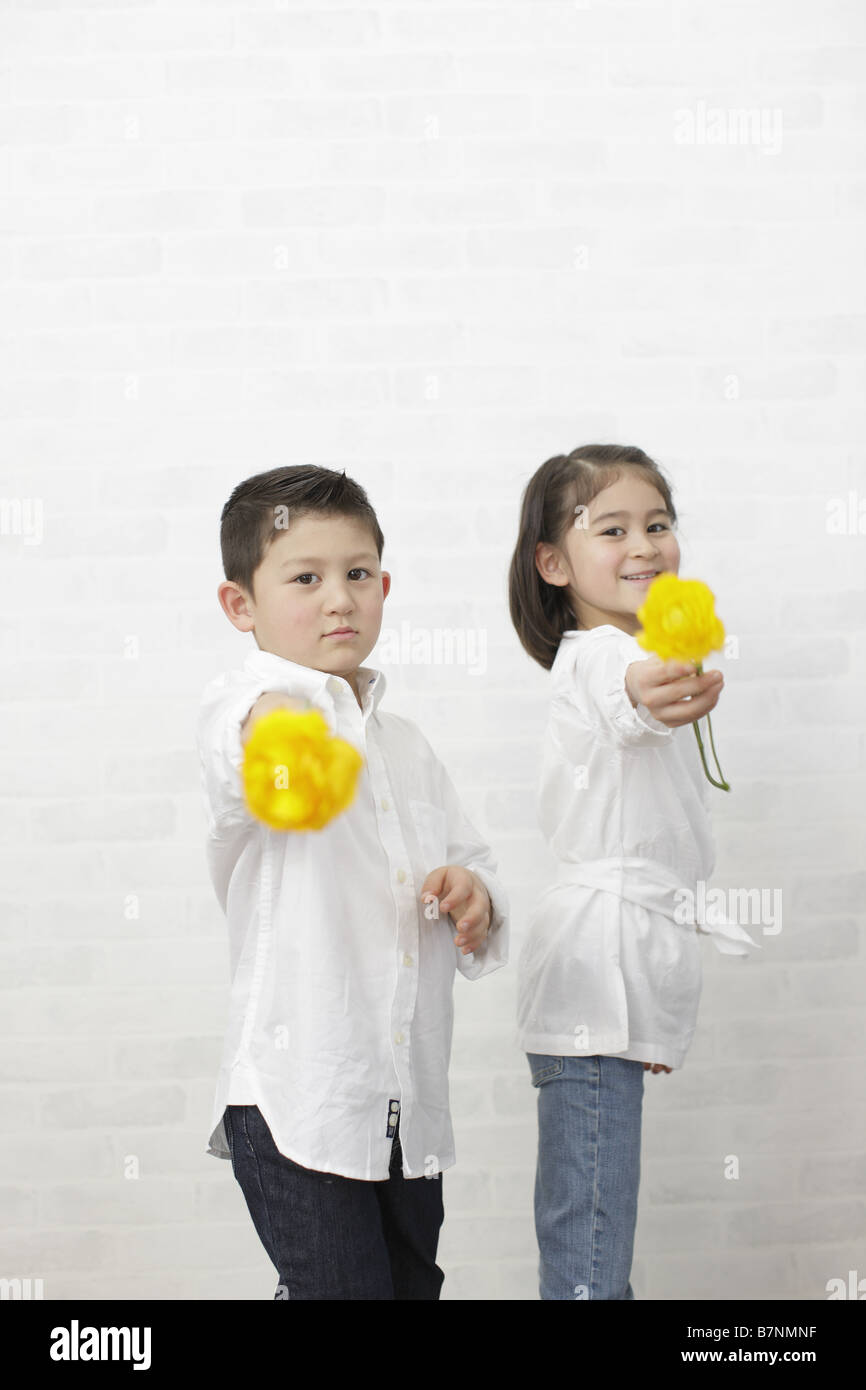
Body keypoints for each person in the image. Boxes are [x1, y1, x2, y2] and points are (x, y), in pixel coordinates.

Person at [195, 465, 509, 1300]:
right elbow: (245, 736)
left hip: (402, 1104)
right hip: (299, 1099)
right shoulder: (252, 704)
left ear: (384, 586)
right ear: (242, 607)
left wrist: (473, 891)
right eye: (306, 578)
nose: (340, 599)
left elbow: (475, 862)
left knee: (409, 1287)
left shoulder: (406, 746)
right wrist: (280, 737)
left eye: (357, 575)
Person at [507, 443, 756, 1301]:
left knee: (591, 1218)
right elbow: (636, 690)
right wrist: (666, 682)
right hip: (594, 973)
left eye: (657, 524)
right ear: (553, 563)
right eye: (611, 529)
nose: (645, 545)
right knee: (591, 1243)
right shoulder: (598, 657)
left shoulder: (613, 652)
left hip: (607, 977)